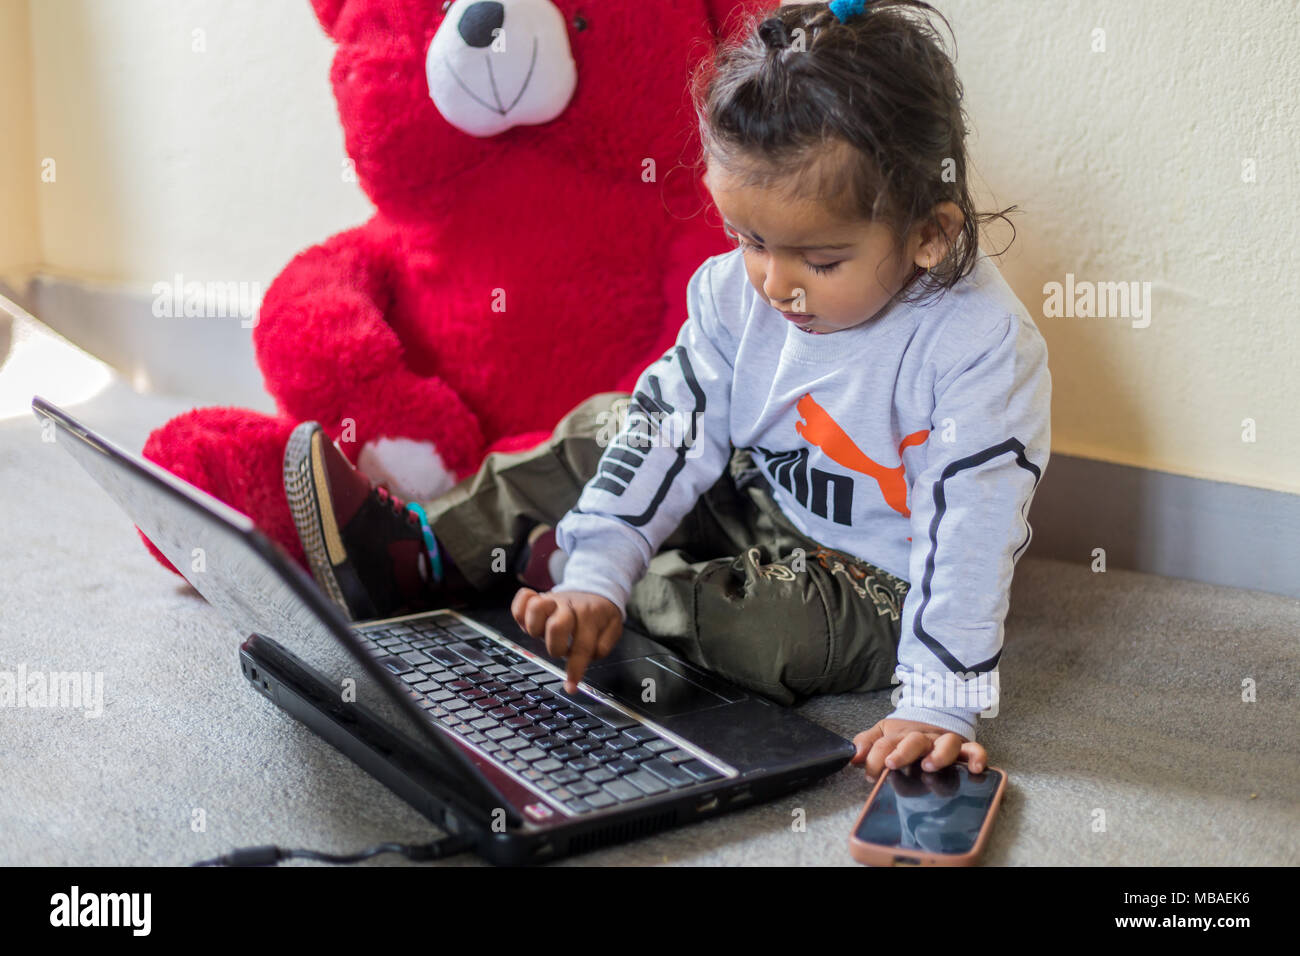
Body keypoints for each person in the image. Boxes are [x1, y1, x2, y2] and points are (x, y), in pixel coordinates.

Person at [282, 0, 1050, 788]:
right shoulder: (737, 293)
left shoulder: (980, 347)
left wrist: (939, 703)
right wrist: (600, 565)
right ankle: (423, 548)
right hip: (755, 491)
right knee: (604, 425)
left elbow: (968, 534)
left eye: (819, 261)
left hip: (873, 580)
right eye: (750, 240)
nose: (774, 285)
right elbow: (666, 428)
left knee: (772, 634)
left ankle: (584, 572)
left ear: (930, 236)